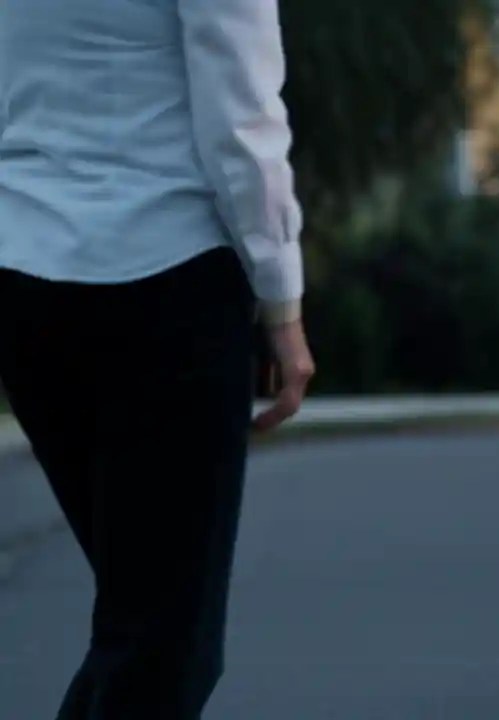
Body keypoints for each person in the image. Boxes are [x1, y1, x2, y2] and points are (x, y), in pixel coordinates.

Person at [0, 0, 314, 717]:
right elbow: (241, 116)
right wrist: (282, 300)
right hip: (167, 275)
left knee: (136, 626)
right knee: (164, 647)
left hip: (25, 275)